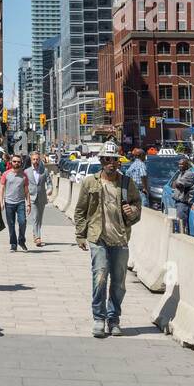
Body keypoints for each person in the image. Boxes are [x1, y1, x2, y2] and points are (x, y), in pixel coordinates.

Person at [74, 140, 142, 338]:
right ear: (101, 161)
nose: (111, 163)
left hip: (120, 239)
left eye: (114, 159)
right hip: (98, 238)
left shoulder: (126, 183)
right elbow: (80, 210)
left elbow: (138, 206)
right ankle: (99, 318)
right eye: (107, 159)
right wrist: (80, 235)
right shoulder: (89, 182)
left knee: (119, 283)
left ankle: (114, 319)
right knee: (100, 277)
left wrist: (132, 211)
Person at [0, 153, 30, 252]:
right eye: (14, 161)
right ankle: (13, 244)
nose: (16, 163)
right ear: (11, 162)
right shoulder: (6, 174)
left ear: (21, 163)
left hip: (20, 202)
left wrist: (28, 204)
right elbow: (2, 188)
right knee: (11, 224)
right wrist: (1, 202)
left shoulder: (24, 175)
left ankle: (21, 241)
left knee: (22, 222)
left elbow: (26, 191)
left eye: (18, 162)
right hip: (9, 203)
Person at [26, 150, 53, 246]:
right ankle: (38, 237)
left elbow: (49, 183)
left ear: (39, 160)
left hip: (42, 197)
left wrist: (50, 189)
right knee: (35, 217)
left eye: (37, 159)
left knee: (39, 218)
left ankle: (35, 233)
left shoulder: (44, 171)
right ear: (31, 160)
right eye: (34, 159)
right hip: (31, 197)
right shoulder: (27, 172)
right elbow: (24, 185)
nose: (35, 161)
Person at [169, 156, 194, 233]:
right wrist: (175, 183)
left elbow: (179, 184)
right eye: (179, 164)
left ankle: (181, 237)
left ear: (186, 165)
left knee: (181, 225)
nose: (180, 166)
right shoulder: (181, 173)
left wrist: (175, 183)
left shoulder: (189, 174)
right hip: (176, 201)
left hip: (183, 203)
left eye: (182, 164)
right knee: (173, 222)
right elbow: (173, 184)